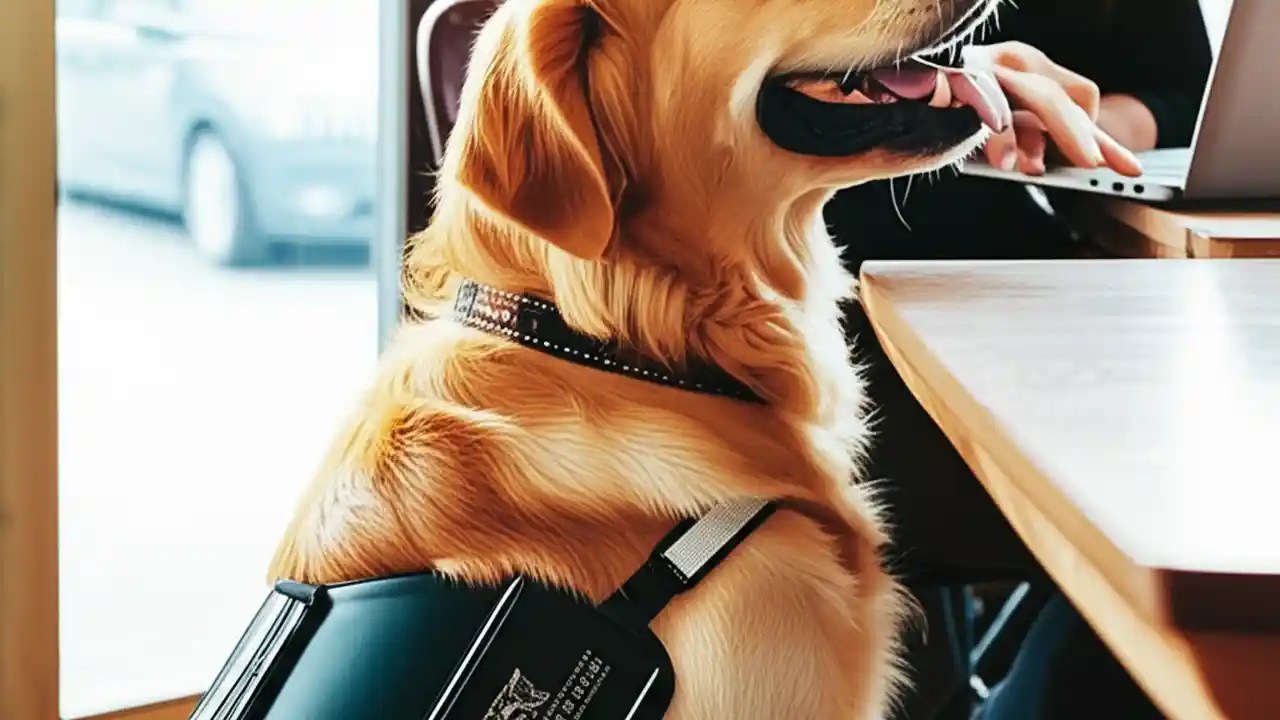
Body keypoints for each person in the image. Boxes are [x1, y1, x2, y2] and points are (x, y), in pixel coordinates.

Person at [825, 1, 1214, 718]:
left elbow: (1199, 93)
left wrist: (1108, 125)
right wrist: (940, 91)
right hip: (827, 322)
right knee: (1195, 513)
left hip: (1051, 295)